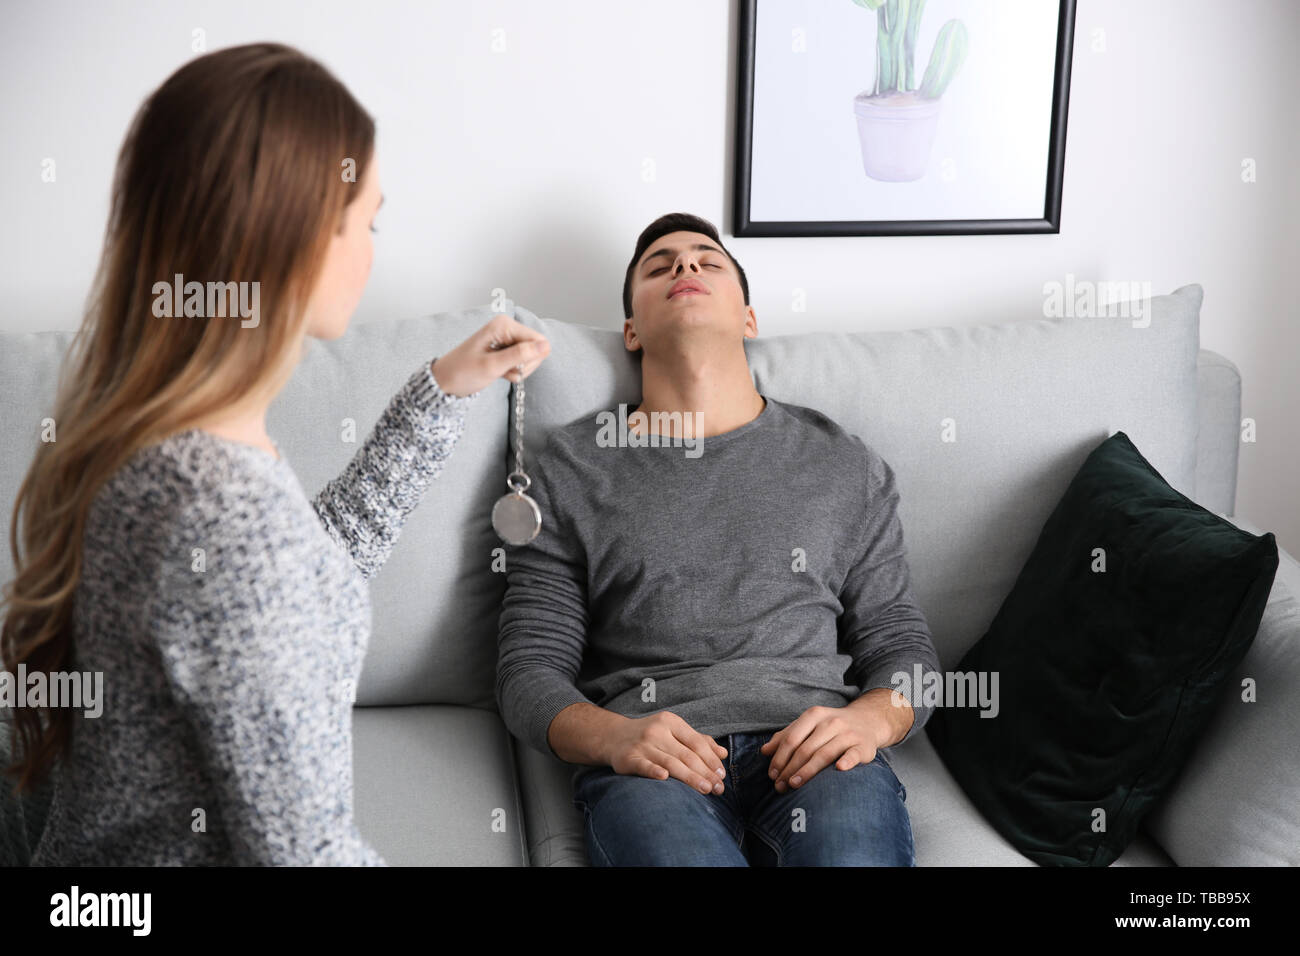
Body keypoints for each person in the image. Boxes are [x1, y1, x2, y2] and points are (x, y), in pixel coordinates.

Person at [0, 42, 549, 865]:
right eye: (369, 218)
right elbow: (305, 853)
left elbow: (309, 567)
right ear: (295, 236)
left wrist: (443, 390)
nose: (373, 246)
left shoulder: (156, 447)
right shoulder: (227, 516)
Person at [496, 212, 940, 866]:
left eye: (708, 259)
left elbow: (902, 642)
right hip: (657, 764)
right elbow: (529, 669)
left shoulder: (844, 464)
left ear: (750, 318)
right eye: (660, 265)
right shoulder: (568, 469)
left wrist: (870, 721)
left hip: (815, 753)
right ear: (632, 330)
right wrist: (615, 737)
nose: (684, 267)